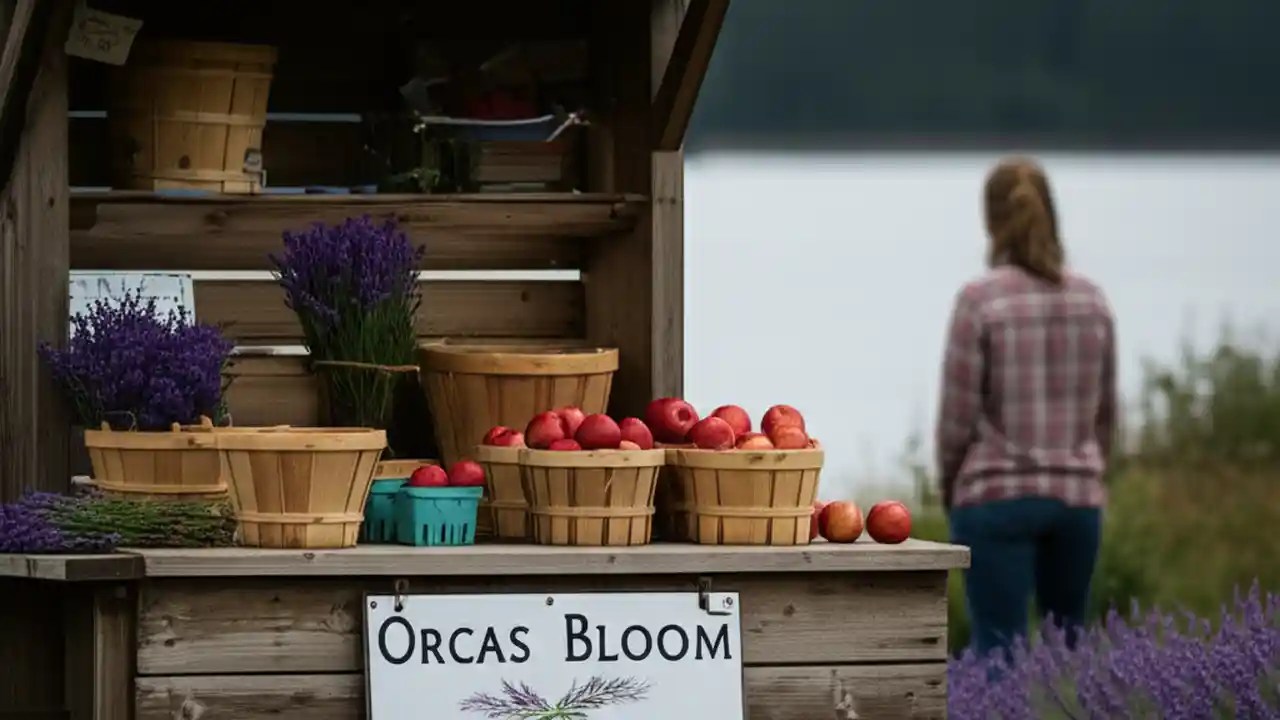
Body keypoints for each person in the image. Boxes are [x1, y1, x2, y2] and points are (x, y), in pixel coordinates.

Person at [935, 157, 1117, 660]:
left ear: (991, 220)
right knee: (1070, 650)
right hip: (1078, 499)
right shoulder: (1092, 300)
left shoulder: (980, 301)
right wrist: (1090, 477)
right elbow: (1106, 416)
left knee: (999, 650)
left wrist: (951, 488)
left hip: (996, 497)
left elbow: (956, 419)